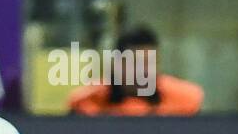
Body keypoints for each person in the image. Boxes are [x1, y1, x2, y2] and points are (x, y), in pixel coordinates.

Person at [67, 26, 204, 116]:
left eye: (150, 63)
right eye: (136, 63)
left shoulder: (185, 100)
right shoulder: (87, 103)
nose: (145, 71)